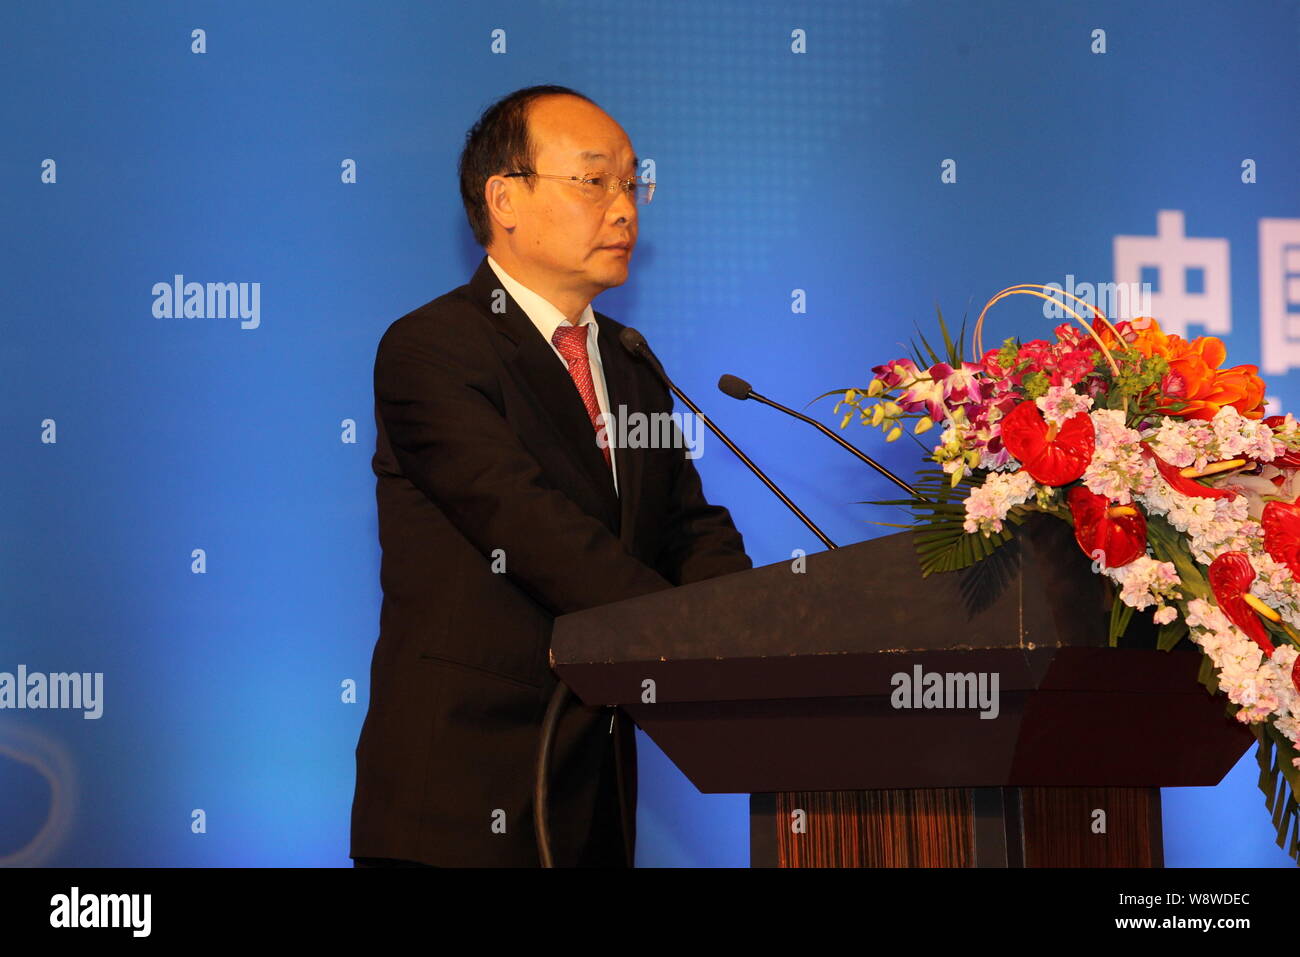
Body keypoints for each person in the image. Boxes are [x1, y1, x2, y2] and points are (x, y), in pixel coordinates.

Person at [349, 85, 752, 868]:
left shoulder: (630, 363)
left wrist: (767, 629)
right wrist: (694, 636)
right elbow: (533, 530)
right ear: (505, 198)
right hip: (458, 803)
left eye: (633, 183)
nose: (625, 207)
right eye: (594, 180)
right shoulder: (432, 350)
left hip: (593, 800)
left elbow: (686, 527)